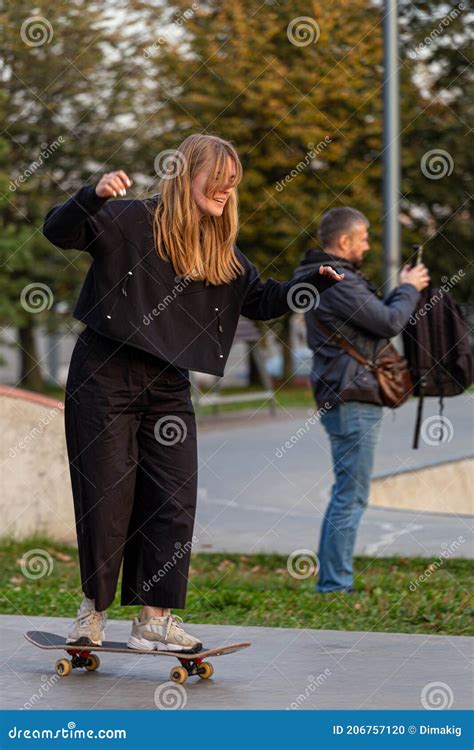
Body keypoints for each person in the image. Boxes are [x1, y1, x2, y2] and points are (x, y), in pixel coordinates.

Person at [42, 134, 343, 651]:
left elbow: (262, 299)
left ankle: (154, 620)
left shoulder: (217, 248)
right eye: (219, 179)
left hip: (168, 385)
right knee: (107, 498)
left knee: (173, 499)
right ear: (188, 174)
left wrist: (311, 282)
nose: (227, 190)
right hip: (104, 376)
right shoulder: (130, 219)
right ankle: (92, 612)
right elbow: (58, 230)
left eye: (234, 183)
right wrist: (91, 195)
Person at [293, 207, 430, 594]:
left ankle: (334, 579)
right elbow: (388, 321)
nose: (368, 245)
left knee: (347, 491)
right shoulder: (337, 281)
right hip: (351, 393)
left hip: (346, 391)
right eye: (364, 238)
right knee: (350, 494)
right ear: (344, 241)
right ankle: (334, 584)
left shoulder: (331, 279)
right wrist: (410, 288)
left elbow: (370, 321)